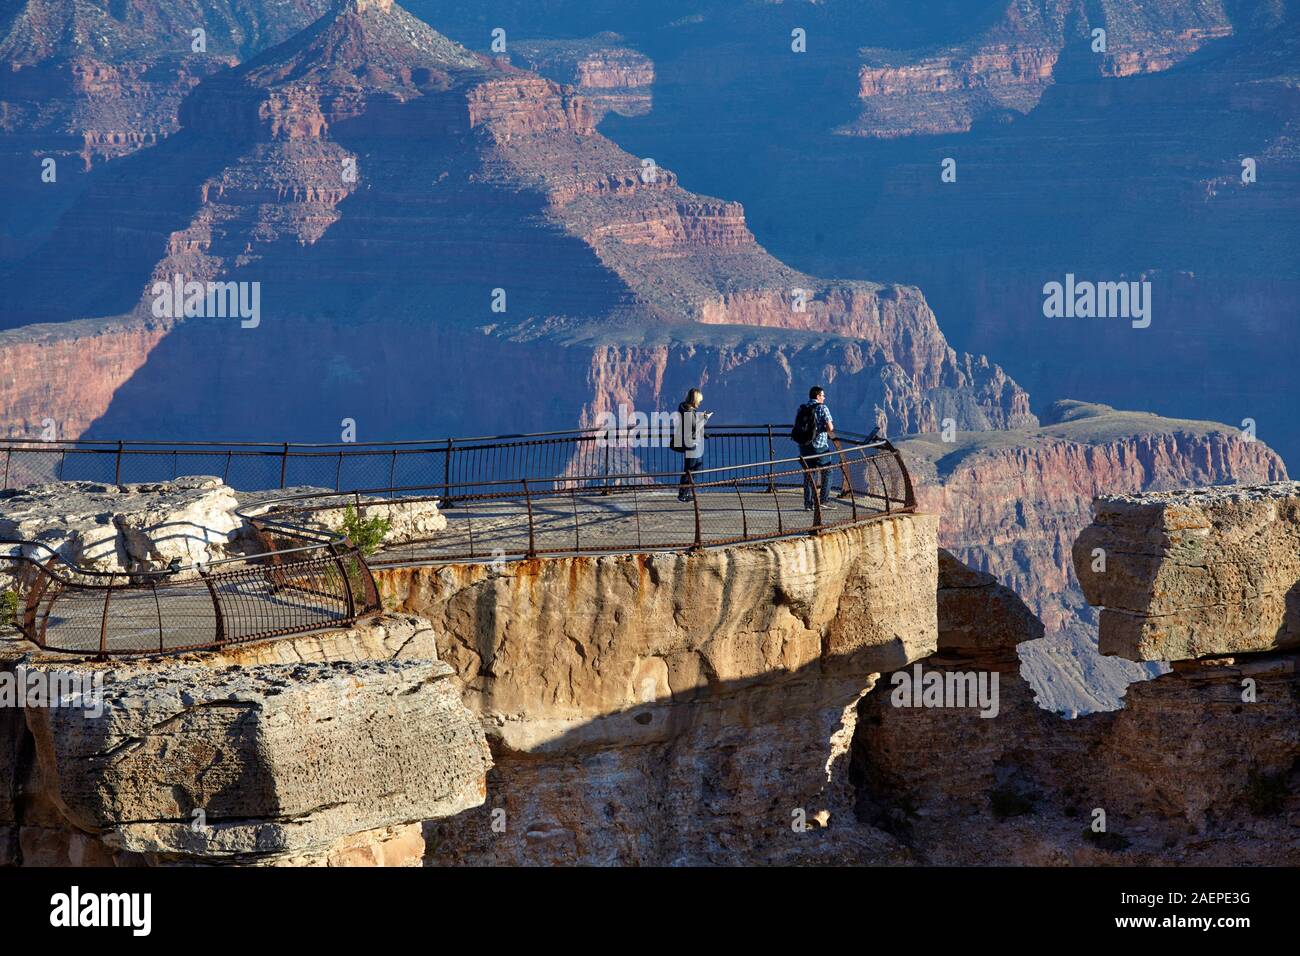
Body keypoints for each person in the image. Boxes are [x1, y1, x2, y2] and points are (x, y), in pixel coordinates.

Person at [792, 386, 835, 510]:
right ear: (817, 396)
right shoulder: (822, 408)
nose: (824, 397)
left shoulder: (802, 408)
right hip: (819, 447)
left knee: (809, 474)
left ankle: (808, 504)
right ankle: (823, 501)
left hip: (804, 446)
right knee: (827, 472)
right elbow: (830, 428)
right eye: (823, 395)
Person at [673, 388, 711, 502]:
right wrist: (705, 418)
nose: (700, 402)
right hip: (690, 444)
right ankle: (682, 495)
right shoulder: (688, 411)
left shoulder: (686, 409)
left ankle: (686, 492)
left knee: (695, 467)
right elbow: (695, 426)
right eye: (699, 400)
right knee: (690, 469)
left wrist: (703, 434)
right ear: (695, 399)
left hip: (692, 442)